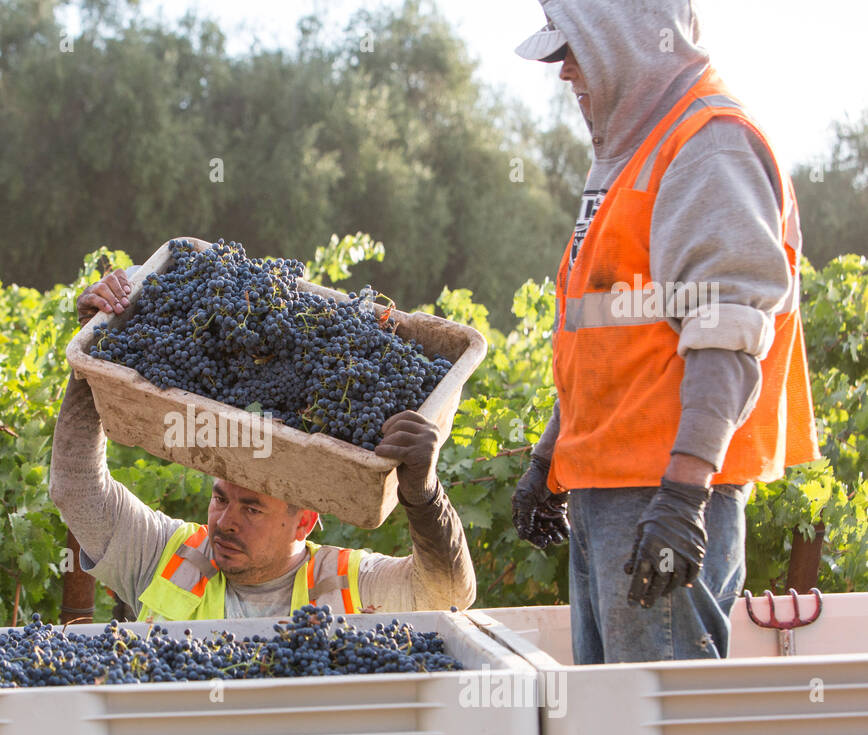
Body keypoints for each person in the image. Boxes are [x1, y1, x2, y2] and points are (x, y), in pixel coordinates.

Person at [510, 1, 817, 664]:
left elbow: (728, 340)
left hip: (660, 496)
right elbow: (613, 340)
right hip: (615, 493)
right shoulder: (633, 155)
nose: (564, 74)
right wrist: (548, 458)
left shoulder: (708, 144)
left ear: (621, 38)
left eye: (574, 51)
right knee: (617, 728)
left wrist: (681, 499)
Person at [48, 268, 477, 622]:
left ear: (305, 522)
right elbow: (76, 488)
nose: (226, 521)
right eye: (220, 499)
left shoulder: (346, 582)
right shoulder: (166, 555)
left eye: (252, 508)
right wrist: (95, 354)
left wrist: (424, 496)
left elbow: (448, 594)